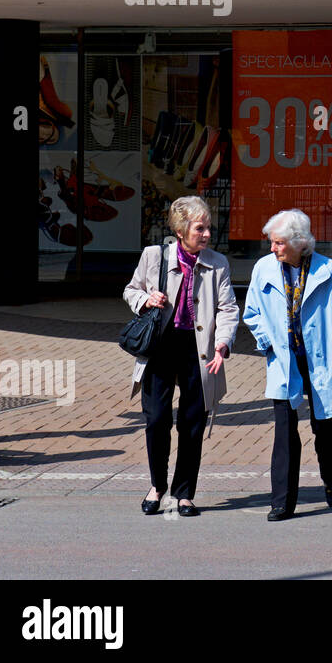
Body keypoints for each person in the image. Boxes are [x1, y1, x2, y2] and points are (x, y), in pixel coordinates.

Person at [244, 209, 332, 521]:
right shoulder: (263, 269)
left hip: (321, 359)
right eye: (272, 242)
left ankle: (330, 479)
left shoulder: (330, 271)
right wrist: (267, 341)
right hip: (283, 361)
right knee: (285, 430)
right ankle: (282, 501)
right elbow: (251, 312)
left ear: (300, 243)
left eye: (279, 243)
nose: (273, 249)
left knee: (325, 426)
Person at [123, 196, 238, 517]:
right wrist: (147, 299)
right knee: (157, 419)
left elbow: (228, 308)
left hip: (198, 351)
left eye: (208, 228)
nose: (206, 235)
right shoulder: (153, 256)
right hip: (160, 347)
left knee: (192, 423)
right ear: (180, 229)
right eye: (200, 228)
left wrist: (223, 343)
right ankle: (157, 486)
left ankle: (184, 493)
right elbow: (130, 290)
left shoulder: (218, 263)